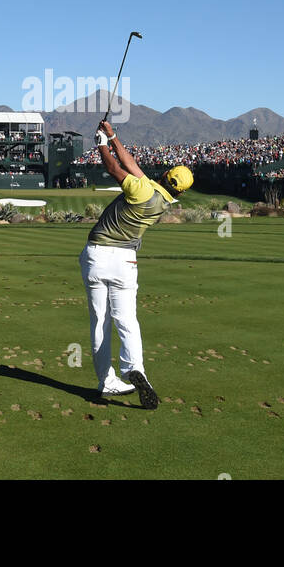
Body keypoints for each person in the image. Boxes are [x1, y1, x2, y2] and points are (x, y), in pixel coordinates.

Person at [77, 119, 193, 409]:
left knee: (100, 322)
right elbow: (132, 166)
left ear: (166, 174)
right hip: (126, 261)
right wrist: (114, 138)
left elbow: (116, 170)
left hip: (97, 255)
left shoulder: (143, 190)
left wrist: (101, 146)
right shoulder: (162, 199)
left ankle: (107, 380)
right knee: (127, 320)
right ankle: (134, 368)